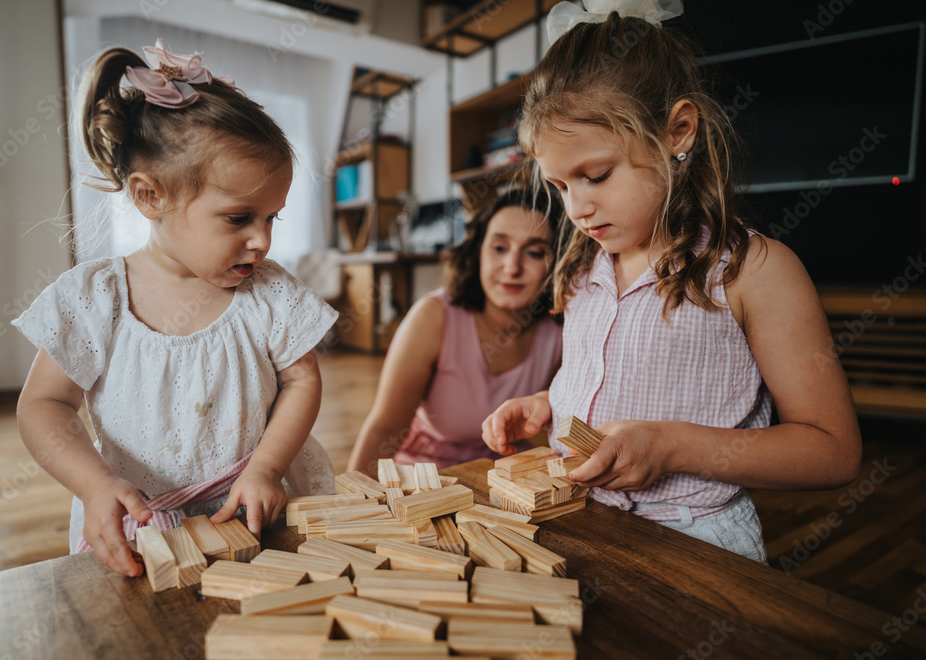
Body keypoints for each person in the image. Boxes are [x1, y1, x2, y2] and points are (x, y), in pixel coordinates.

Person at [481, 2, 862, 562]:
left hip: (697, 542)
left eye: (597, 175)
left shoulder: (755, 270)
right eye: (560, 186)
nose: (578, 208)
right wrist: (550, 404)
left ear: (678, 130)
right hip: (586, 521)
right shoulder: (587, 266)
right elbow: (626, 376)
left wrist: (670, 446)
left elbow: (833, 453)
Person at [13, 40, 337, 577]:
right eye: (238, 218)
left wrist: (267, 468)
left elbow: (302, 380)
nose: (262, 241)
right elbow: (43, 406)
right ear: (149, 197)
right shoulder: (95, 300)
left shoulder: (271, 292)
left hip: (254, 510)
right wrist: (95, 486)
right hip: (141, 527)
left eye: (272, 218)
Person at [346, 188, 564, 477]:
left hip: (504, 471)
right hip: (424, 473)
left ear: (558, 262)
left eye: (535, 252)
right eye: (499, 248)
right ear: (478, 252)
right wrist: (351, 501)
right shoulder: (433, 315)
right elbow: (384, 428)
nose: (512, 267)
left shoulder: (560, 329)